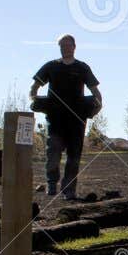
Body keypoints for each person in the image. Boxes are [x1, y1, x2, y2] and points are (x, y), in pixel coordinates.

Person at [30, 34, 102, 200]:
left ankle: (69, 189)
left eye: (68, 45)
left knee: (74, 156)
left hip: (77, 119)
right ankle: (51, 182)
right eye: (62, 45)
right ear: (59, 47)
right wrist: (34, 99)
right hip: (55, 118)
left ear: (74, 47)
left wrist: (98, 106)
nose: (65, 48)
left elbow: (95, 91)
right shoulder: (51, 66)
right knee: (53, 152)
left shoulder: (82, 68)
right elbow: (34, 87)